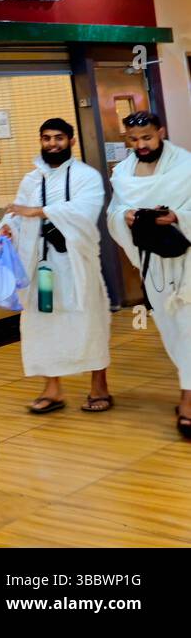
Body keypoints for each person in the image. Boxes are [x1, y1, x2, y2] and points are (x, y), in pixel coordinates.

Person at [0, 118, 110, 414]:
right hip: (41, 266)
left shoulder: (87, 176)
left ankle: (99, 386)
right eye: (46, 138)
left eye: (59, 138)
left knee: (88, 321)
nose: (52, 144)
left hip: (75, 264)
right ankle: (52, 388)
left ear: (71, 141)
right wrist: (8, 227)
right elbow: (16, 213)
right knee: (43, 323)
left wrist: (39, 211)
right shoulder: (32, 179)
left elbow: (85, 212)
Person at [105, 111, 191, 439]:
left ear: (161, 133)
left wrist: (177, 216)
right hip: (153, 264)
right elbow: (113, 212)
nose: (140, 145)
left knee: (188, 328)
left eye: (147, 138)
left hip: (187, 260)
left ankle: (188, 401)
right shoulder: (124, 172)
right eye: (133, 140)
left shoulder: (185, 165)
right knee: (172, 330)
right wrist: (124, 216)